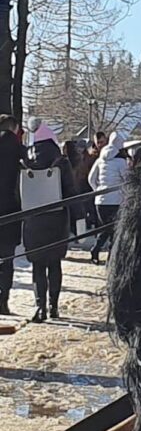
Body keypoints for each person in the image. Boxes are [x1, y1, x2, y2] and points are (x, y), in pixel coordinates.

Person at [22, 125, 75, 322]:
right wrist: (78, 220)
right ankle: (53, 306)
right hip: (57, 219)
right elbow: (71, 191)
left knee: (37, 265)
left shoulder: (25, 161)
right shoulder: (61, 162)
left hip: (33, 219)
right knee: (54, 263)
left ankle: (39, 307)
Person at [88, 130, 129, 263]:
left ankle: (97, 250)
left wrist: (98, 190)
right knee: (115, 231)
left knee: (105, 228)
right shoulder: (121, 162)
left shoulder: (100, 160)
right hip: (116, 200)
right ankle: (111, 258)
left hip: (100, 200)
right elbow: (127, 180)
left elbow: (91, 178)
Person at [0, 115, 22, 314]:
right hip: (9, 210)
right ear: (14, 129)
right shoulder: (16, 148)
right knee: (7, 260)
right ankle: (3, 301)